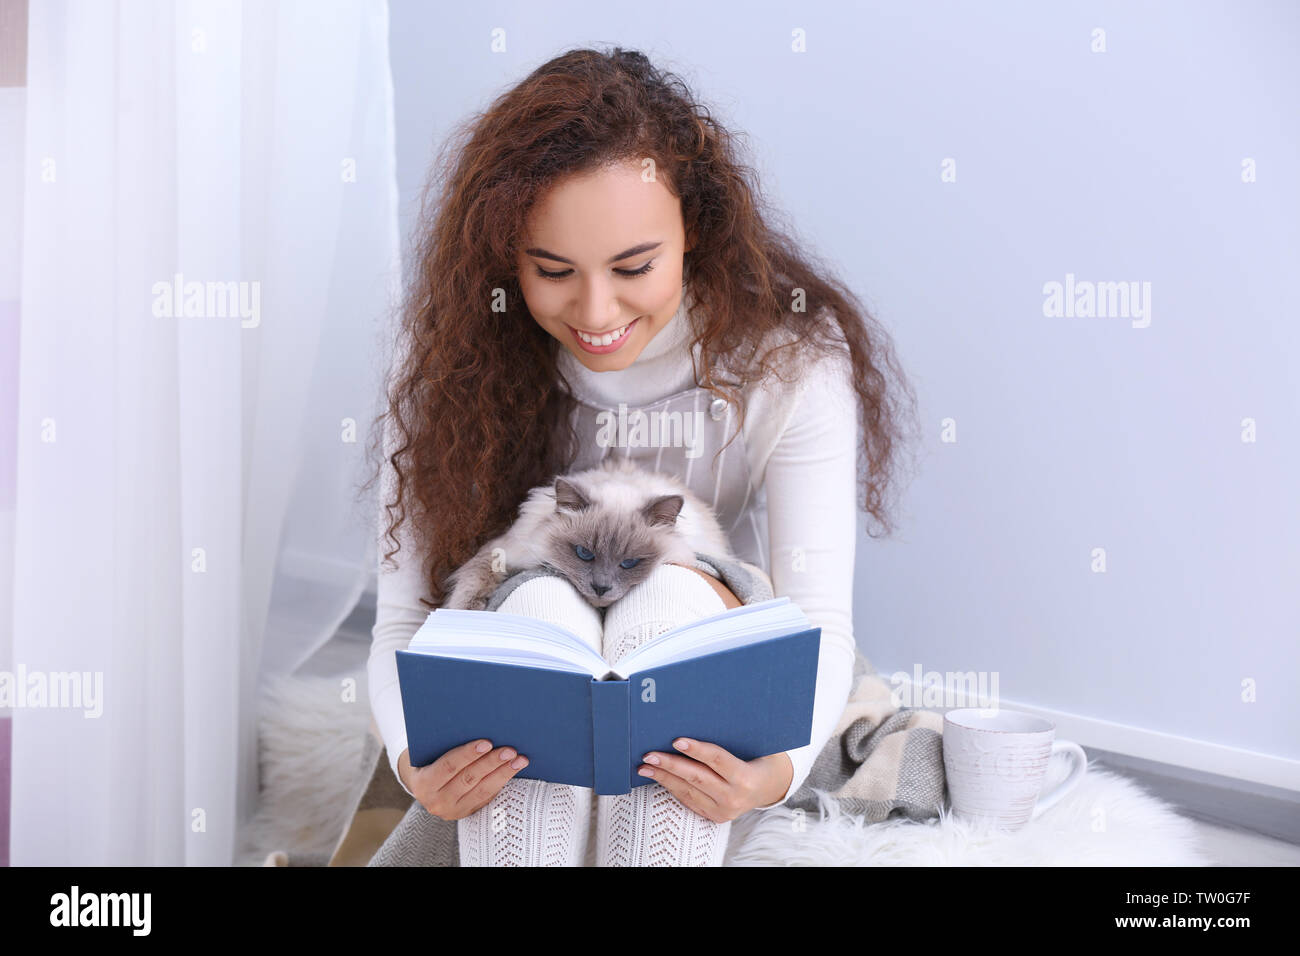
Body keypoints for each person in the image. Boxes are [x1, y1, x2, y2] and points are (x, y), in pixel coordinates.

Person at [363, 46, 917, 866]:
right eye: (551, 270)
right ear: (503, 255)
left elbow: (819, 621)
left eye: (634, 267)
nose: (595, 311)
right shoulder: (451, 350)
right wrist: (417, 765)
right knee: (543, 605)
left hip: (701, 653)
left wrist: (772, 774)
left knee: (667, 601)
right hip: (525, 644)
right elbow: (404, 620)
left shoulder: (788, 361)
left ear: (696, 230)